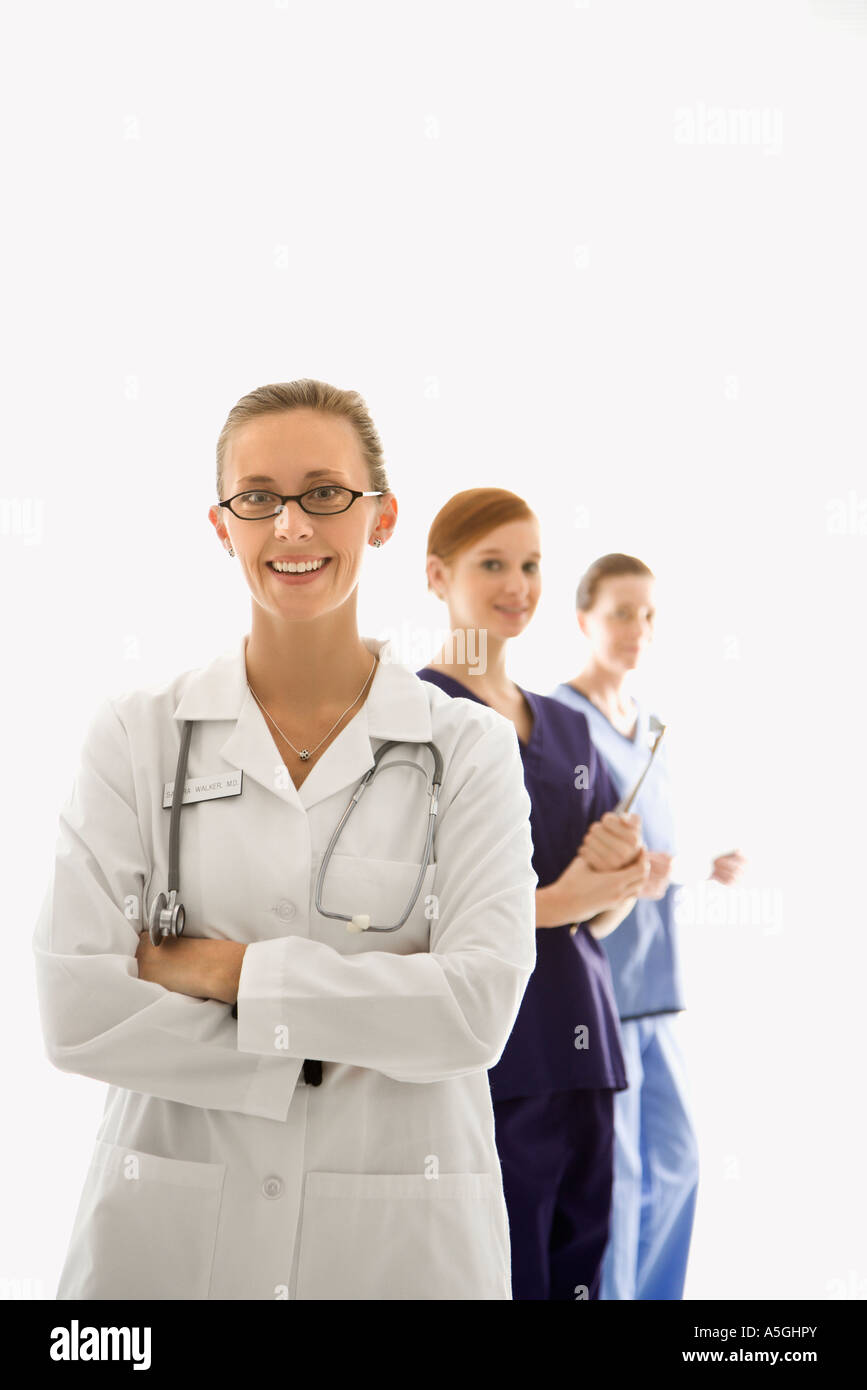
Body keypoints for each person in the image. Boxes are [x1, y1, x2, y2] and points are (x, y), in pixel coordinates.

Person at [32, 379, 540, 1301]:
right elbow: (78, 1008)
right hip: (163, 1245)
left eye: (325, 493)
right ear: (222, 524)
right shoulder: (136, 736)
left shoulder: (467, 749)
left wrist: (230, 974)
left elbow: (474, 1011)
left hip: (401, 1248)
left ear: (381, 517)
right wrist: (339, 1038)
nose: (292, 526)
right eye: (258, 497)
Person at [417, 489, 654, 1301]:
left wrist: (616, 872)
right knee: (502, 1272)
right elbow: (421, 912)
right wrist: (569, 895)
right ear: (436, 574)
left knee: (579, 1270)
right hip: (495, 1050)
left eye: (530, 565)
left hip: (585, 1039)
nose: (516, 585)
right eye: (492, 564)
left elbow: (605, 911)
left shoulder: (567, 726)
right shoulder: (417, 718)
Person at [550, 552, 746, 1300]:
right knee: (616, 1180)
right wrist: (656, 867)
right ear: (583, 620)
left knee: (677, 1162)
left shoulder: (654, 726)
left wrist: (704, 862)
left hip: (658, 986)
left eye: (649, 614)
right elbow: (575, 855)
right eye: (620, 612)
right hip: (595, 987)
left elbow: (657, 847)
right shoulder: (560, 726)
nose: (638, 628)